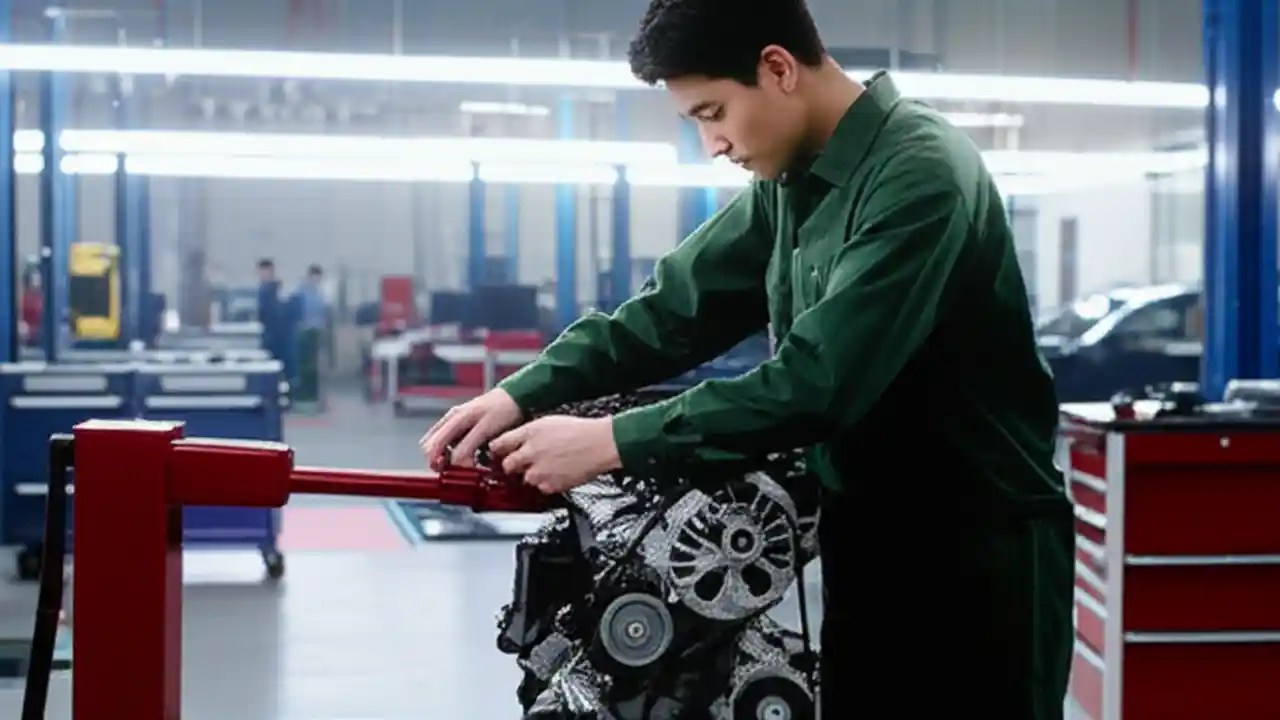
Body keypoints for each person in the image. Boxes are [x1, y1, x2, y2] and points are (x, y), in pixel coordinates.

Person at [421, 0, 1074, 715]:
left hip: (976, 555)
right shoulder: (789, 186)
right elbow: (672, 312)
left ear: (777, 68)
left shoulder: (919, 175)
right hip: (867, 536)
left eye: (713, 113)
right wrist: (522, 393)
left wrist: (609, 442)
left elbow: (817, 385)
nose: (713, 145)